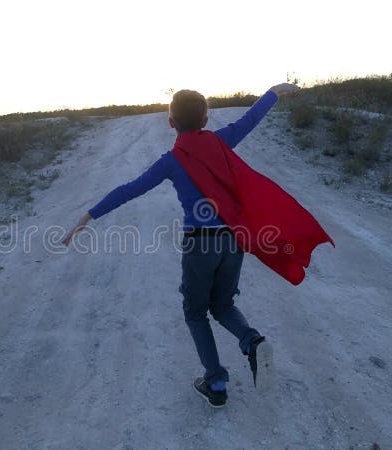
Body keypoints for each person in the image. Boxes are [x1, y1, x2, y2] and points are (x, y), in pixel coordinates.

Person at [62, 84, 300, 408]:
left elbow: (130, 189)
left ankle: (215, 382)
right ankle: (252, 341)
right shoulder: (221, 140)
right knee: (224, 305)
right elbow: (250, 119)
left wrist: (88, 215)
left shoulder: (171, 161)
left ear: (171, 122)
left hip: (200, 245)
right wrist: (273, 92)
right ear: (206, 118)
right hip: (233, 240)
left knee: (195, 311)